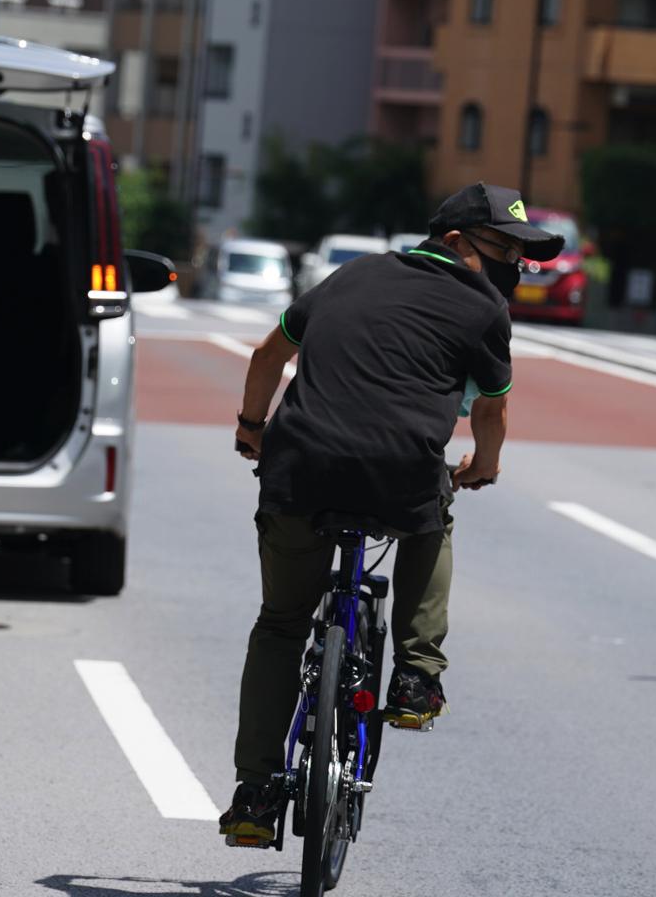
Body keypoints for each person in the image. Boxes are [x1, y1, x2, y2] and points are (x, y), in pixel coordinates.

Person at [218, 182, 565, 845]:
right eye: (506, 249)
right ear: (457, 241)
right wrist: (484, 466)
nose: (515, 268)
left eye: (525, 257)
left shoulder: (351, 275)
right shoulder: (485, 311)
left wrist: (250, 427)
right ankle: (415, 676)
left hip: (300, 468)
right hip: (400, 475)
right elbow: (489, 410)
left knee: (283, 624)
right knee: (437, 506)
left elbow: (269, 354)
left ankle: (256, 796)